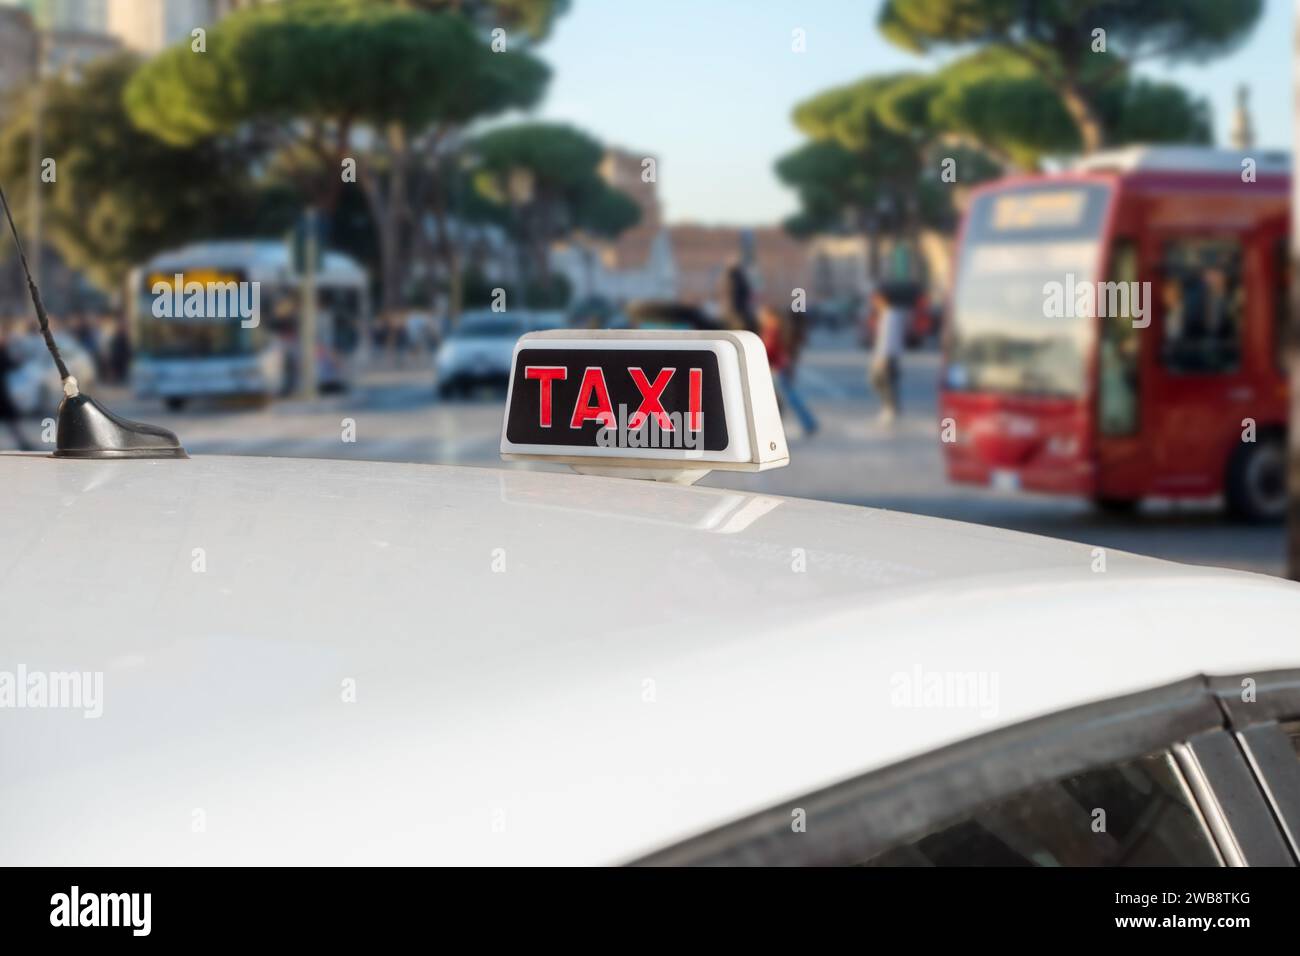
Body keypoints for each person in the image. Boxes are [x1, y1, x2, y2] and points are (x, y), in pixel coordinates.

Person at [760, 306, 817, 437]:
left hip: (776, 370)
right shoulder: (777, 331)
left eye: (765, 317)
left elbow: (770, 351)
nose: (762, 319)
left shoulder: (773, 332)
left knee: (788, 398)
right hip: (779, 369)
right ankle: (806, 422)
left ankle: (808, 422)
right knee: (782, 399)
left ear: (772, 319)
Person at [869, 289, 905, 423]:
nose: (875, 303)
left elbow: (888, 339)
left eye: (877, 300)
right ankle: (893, 408)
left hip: (888, 356)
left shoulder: (891, 316)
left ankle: (890, 409)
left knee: (883, 382)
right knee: (888, 382)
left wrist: (882, 358)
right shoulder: (887, 315)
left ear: (884, 300)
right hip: (887, 355)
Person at [0, 322, 33, 450]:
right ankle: (23, 443)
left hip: (2, 393)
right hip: (1, 395)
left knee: (11, 421)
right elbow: (7, 365)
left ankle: (23, 443)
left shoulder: (2, 349)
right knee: (11, 420)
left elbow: (8, 365)